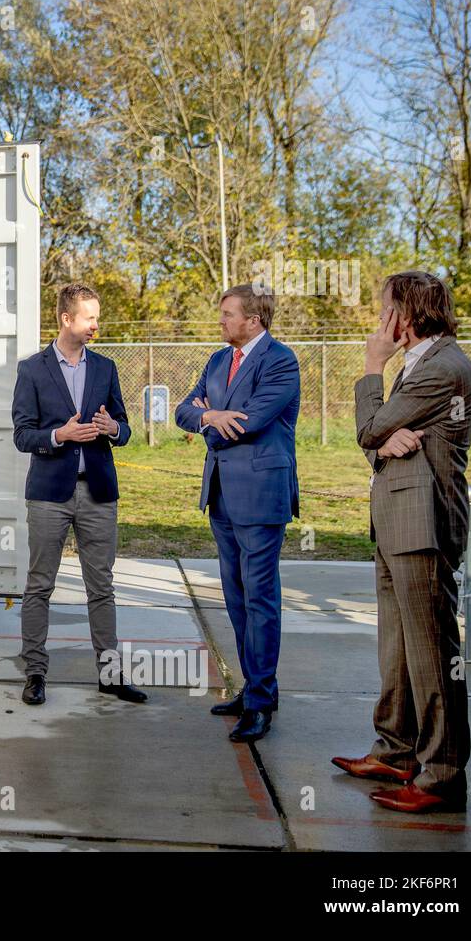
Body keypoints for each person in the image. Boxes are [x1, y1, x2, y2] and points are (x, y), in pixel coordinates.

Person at [332, 271, 471, 813]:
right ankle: (396, 749)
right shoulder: (421, 363)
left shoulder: (442, 366)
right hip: (394, 520)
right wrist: (383, 439)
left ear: (408, 313)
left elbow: (368, 429)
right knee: (397, 648)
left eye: (385, 307)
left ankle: (441, 775)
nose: (378, 318)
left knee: (432, 653)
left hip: (424, 525)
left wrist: (373, 367)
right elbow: (380, 441)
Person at [175, 284, 300, 742]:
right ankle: (254, 686)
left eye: (229, 314)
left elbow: (250, 421)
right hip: (222, 494)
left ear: (255, 320)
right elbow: (183, 411)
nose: (221, 321)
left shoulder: (280, 360)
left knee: (260, 598)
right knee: (234, 596)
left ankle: (262, 701)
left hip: (262, 493)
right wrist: (208, 417)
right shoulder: (215, 361)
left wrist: (216, 419)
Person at [10, 281, 144, 707]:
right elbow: (22, 435)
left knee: (101, 587)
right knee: (39, 586)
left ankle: (109, 675)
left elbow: (123, 427)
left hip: (98, 493)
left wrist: (113, 429)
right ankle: (34, 673)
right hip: (49, 494)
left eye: (96, 318)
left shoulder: (105, 368)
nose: (95, 326)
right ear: (67, 319)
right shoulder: (32, 370)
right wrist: (59, 434)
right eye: (89, 318)